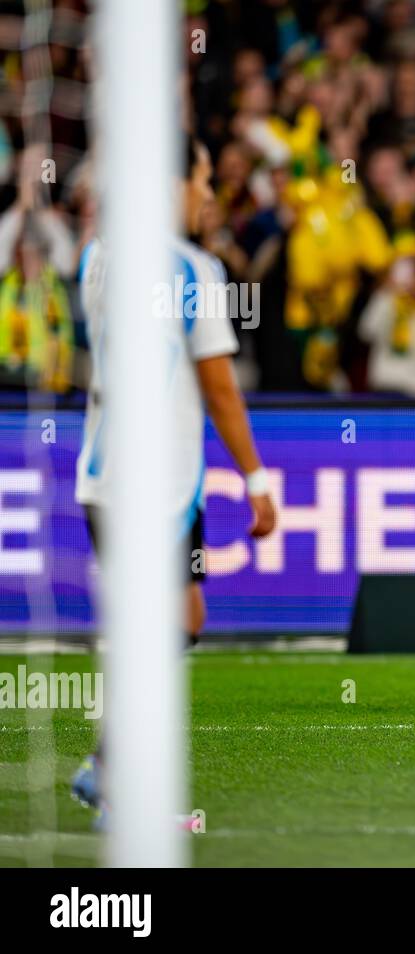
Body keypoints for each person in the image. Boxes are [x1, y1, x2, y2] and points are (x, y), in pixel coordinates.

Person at [70, 136, 278, 827]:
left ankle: (107, 767)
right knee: (158, 626)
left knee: (179, 616)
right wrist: (255, 477)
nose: (209, 194)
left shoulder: (98, 256)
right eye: (203, 178)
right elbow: (220, 385)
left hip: (106, 473)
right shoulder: (193, 268)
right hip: (156, 482)